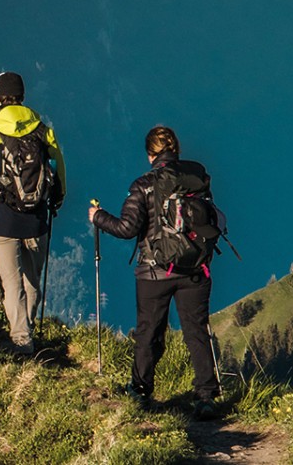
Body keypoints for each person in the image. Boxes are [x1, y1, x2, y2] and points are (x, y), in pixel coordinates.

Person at [89, 125, 220, 418]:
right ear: (176, 150)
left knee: (149, 332)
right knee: (196, 332)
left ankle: (141, 390)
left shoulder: (143, 185)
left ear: (150, 154)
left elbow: (127, 228)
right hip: (195, 270)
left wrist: (98, 217)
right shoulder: (197, 179)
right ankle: (206, 396)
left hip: (154, 272)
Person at [0, 71, 67, 357]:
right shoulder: (43, 131)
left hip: (4, 218)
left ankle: (21, 340)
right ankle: (26, 328)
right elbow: (59, 169)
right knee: (32, 281)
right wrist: (57, 199)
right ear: (22, 96)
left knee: (12, 283)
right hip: (37, 218)